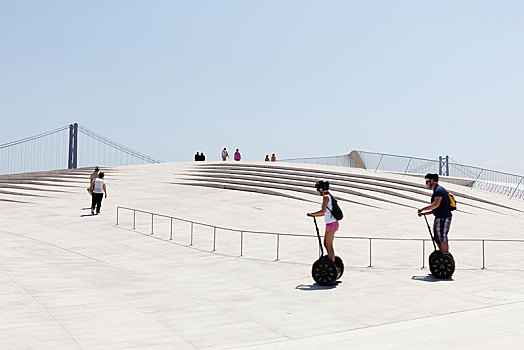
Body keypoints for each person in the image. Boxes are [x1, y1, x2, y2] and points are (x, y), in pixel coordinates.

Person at [418, 173, 452, 254]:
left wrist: (422, 209)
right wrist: (425, 213)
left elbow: (435, 205)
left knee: (442, 236)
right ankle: (442, 254)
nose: (426, 184)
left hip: (444, 217)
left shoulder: (439, 190)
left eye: (427, 182)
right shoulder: (436, 191)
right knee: (437, 237)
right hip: (439, 217)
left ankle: (445, 256)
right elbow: (436, 208)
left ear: (432, 181)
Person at [307, 180, 339, 262]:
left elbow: (322, 211)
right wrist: (314, 215)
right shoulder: (329, 196)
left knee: (328, 244)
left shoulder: (326, 197)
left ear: (321, 189)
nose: (317, 191)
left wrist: (312, 214)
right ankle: (332, 262)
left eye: (317, 189)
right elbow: (324, 213)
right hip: (332, 223)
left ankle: (332, 263)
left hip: (331, 223)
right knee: (328, 244)